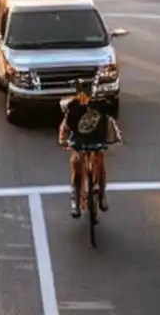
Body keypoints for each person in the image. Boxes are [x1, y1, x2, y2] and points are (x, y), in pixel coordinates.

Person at [58, 78, 122, 217]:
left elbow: (110, 120)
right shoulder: (72, 106)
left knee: (99, 159)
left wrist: (116, 135)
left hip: (97, 139)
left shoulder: (101, 104)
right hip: (79, 141)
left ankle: (102, 194)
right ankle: (75, 199)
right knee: (77, 161)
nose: (85, 97)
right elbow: (66, 126)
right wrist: (63, 139)